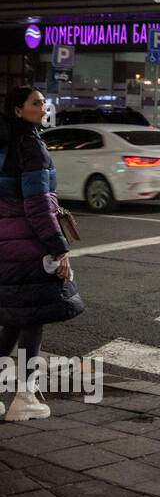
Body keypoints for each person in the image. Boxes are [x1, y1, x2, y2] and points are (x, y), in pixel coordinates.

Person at [0, 87, 85, 422]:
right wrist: (58, 249)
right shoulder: (30, 147)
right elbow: (37, 207)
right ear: (18, 110)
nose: (42, 107)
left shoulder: (5, 145)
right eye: (35, 103)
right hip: (29, 247)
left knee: (12, 319)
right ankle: (24, 396)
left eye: (42, 102)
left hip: (5, 245)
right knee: (32, 319)